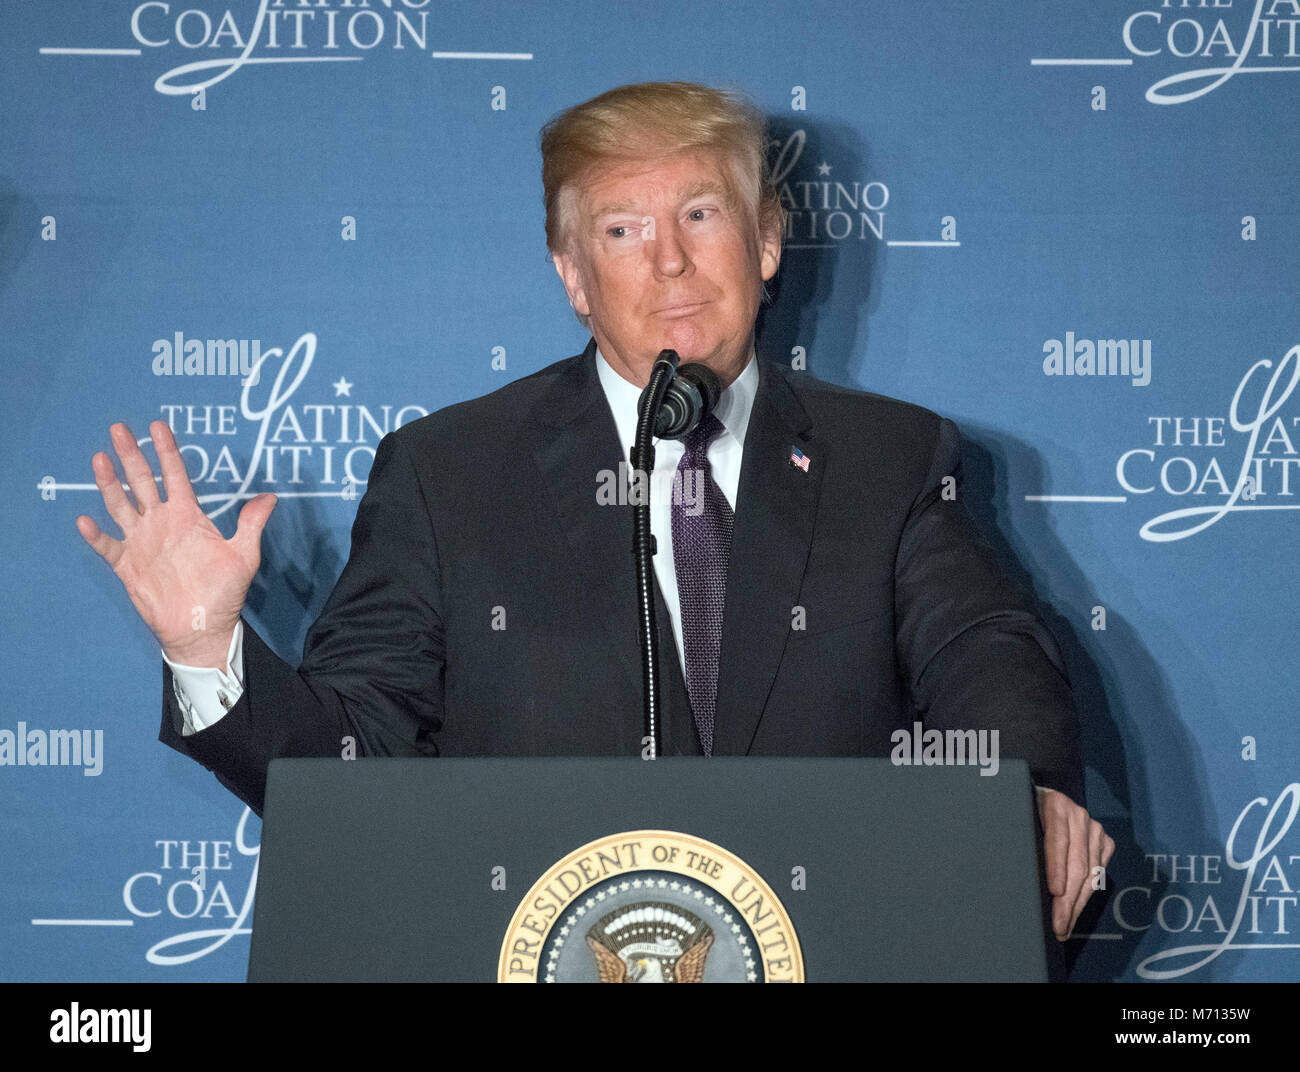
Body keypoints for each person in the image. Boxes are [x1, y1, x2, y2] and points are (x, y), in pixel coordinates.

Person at [77, 81, 1114, 943]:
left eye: (701, 215)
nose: (668, 261)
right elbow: (356, 761)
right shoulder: (447, 472)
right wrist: (211, 652)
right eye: (623, 229)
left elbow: (982, 647)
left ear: (764, 242)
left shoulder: (889, 456)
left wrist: (1015, 793)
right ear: (573, 278)